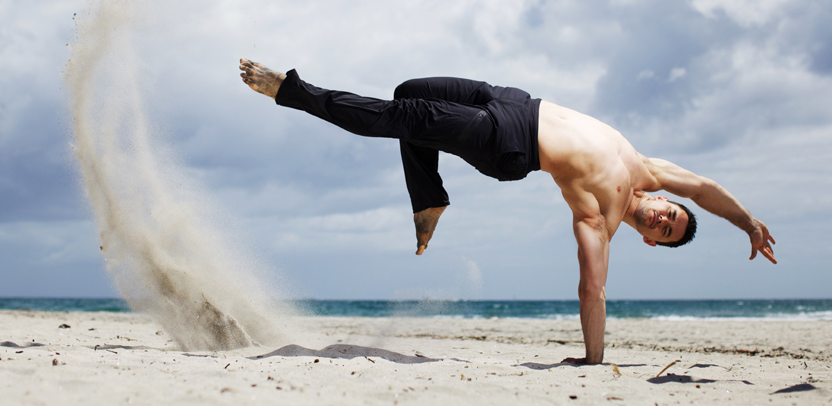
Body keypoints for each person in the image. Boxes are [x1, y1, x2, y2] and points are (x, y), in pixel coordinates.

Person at [238, 58, 777, 365]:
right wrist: (748, 222)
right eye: (672, 214)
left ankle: (292, 92)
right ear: (667, 199)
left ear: (650, 241)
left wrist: (593, 360)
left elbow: (594, 290)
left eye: (666, 231)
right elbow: (705, 187)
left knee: (403, 115)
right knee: (409, 90)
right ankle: (429, 197)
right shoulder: (648, 169)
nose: (664, 218)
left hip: (507, 140)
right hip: (515, 99)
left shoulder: (600, 217)